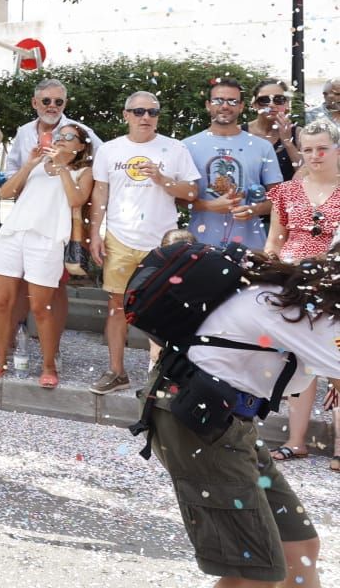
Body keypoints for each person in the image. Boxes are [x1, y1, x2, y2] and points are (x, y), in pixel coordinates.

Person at [142, 252, 340, 588]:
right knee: (255, 572)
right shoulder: (311, 319)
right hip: (199, 421)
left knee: (298, 548)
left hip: (221, 419)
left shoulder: (298, 299)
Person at [87, 91, 198, 395]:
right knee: (116, 306)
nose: (145, 117)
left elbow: (191, 192)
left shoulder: (175, 149)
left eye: (152, 112)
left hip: (162, 241)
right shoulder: (109, 150)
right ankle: (116, 372)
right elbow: (100, 193)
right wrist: (95, 232)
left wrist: (162, 179)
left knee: (163, 308)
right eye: (138, 111)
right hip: (119, 238)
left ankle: (160, 375)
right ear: (126, 115)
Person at [0, 123, 94, 387]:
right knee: (2, 301)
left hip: (47, 239)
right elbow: (6, 192)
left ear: (81, 146)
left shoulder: (83, 171)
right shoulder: (37, 165)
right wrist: (29, 164)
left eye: (69, 136)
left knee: (41, 307)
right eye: (59, 135)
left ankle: (48, 366)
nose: (61, 139)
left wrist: (62, 168)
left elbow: (76, 200)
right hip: (13, 235)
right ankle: (0, 361)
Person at [264, 121, 340, 465]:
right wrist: (271, 270)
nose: (314, 155)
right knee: (298, 363)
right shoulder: (287, 192)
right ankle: (296, 442)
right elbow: (275, 240)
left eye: (322, 148)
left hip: (335, 287)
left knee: (337, 365)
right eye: (307, 149)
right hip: (293, 286)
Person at [183, 77, 283, 251]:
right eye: (218, 100)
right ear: (208, 105)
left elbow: (279, 199)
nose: (225, 106)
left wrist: (253, 210)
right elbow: (177, 199)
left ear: (241, 106)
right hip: (200, 246)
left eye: (232, 101)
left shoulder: (262, 147)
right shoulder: (187, 146)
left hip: (250, 248)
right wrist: (209, 206)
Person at [248, 78, 301, 182]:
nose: (271, 105)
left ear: (287, 104)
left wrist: (288, 143)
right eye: (264, 100)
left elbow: (308, 175)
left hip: (286, 192)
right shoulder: (240, 132)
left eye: (279, 99)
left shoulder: (299, 134)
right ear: (255, 104)